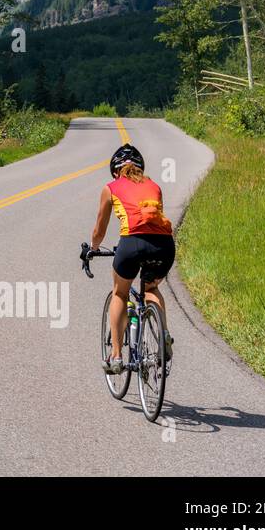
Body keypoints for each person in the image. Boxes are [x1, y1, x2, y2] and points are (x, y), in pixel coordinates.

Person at [90, 143, 175, 373]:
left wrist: (93, 248)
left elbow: (100, 228)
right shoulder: (154, 186)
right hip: (164, 246)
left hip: (132, 244)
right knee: (151, 290)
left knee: (120, 292)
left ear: (116, 171)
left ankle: (116, 357)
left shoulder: (111, 187)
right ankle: (163, 336)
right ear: (139, 168)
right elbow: (155, 223)